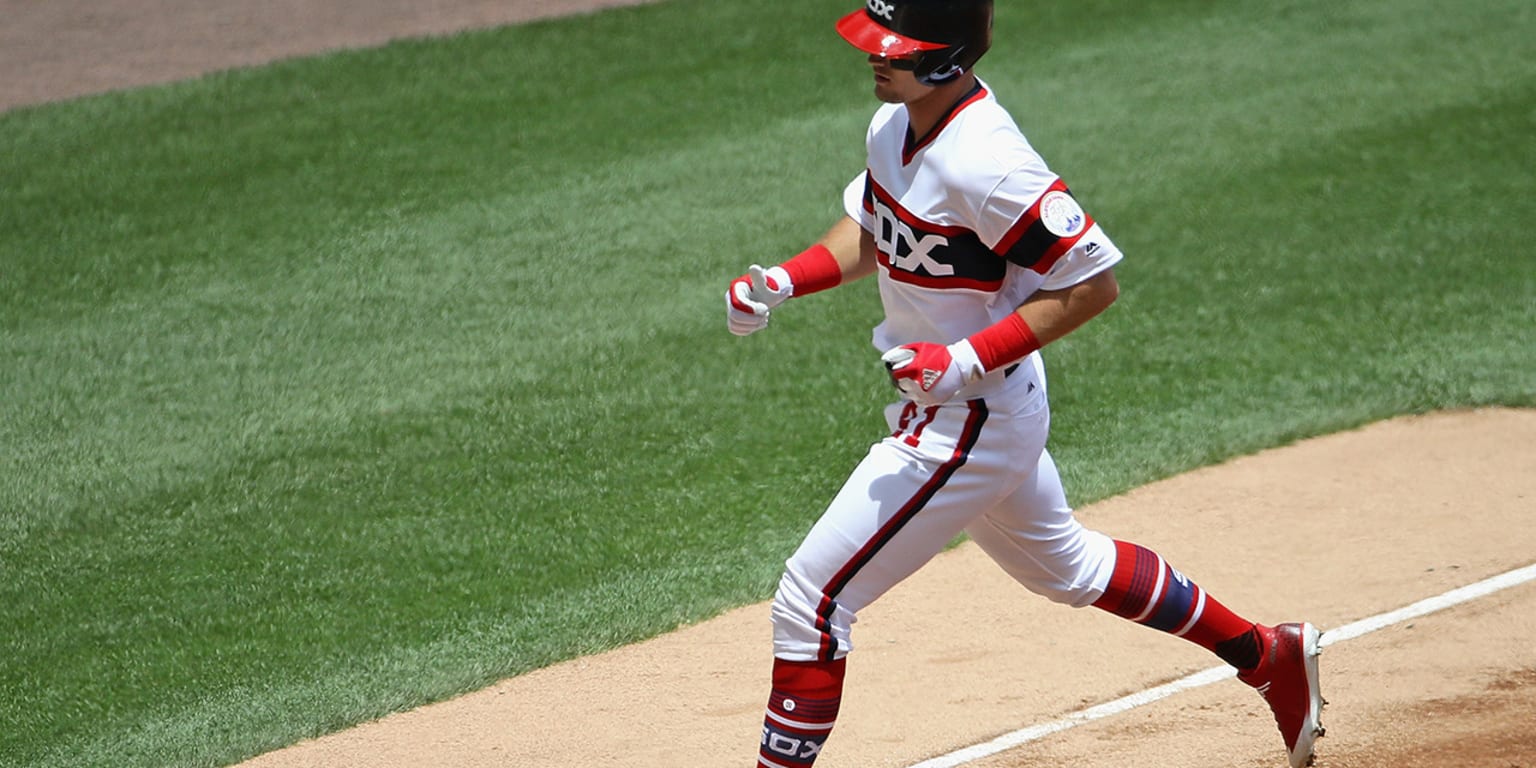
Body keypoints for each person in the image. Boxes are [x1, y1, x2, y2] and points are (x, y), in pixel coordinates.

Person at [724, 1, 1326, 767]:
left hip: (969, 418)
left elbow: (1092, 282)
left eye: (893, 46)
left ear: (945, 55)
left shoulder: (990, 162)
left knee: (811, 602)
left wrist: (965, 358)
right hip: (981, 406)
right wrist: (783, 279)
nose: (874, 56)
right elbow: (876, 227)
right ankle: (1266, 655)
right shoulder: (895, 124)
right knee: (1068, 566)